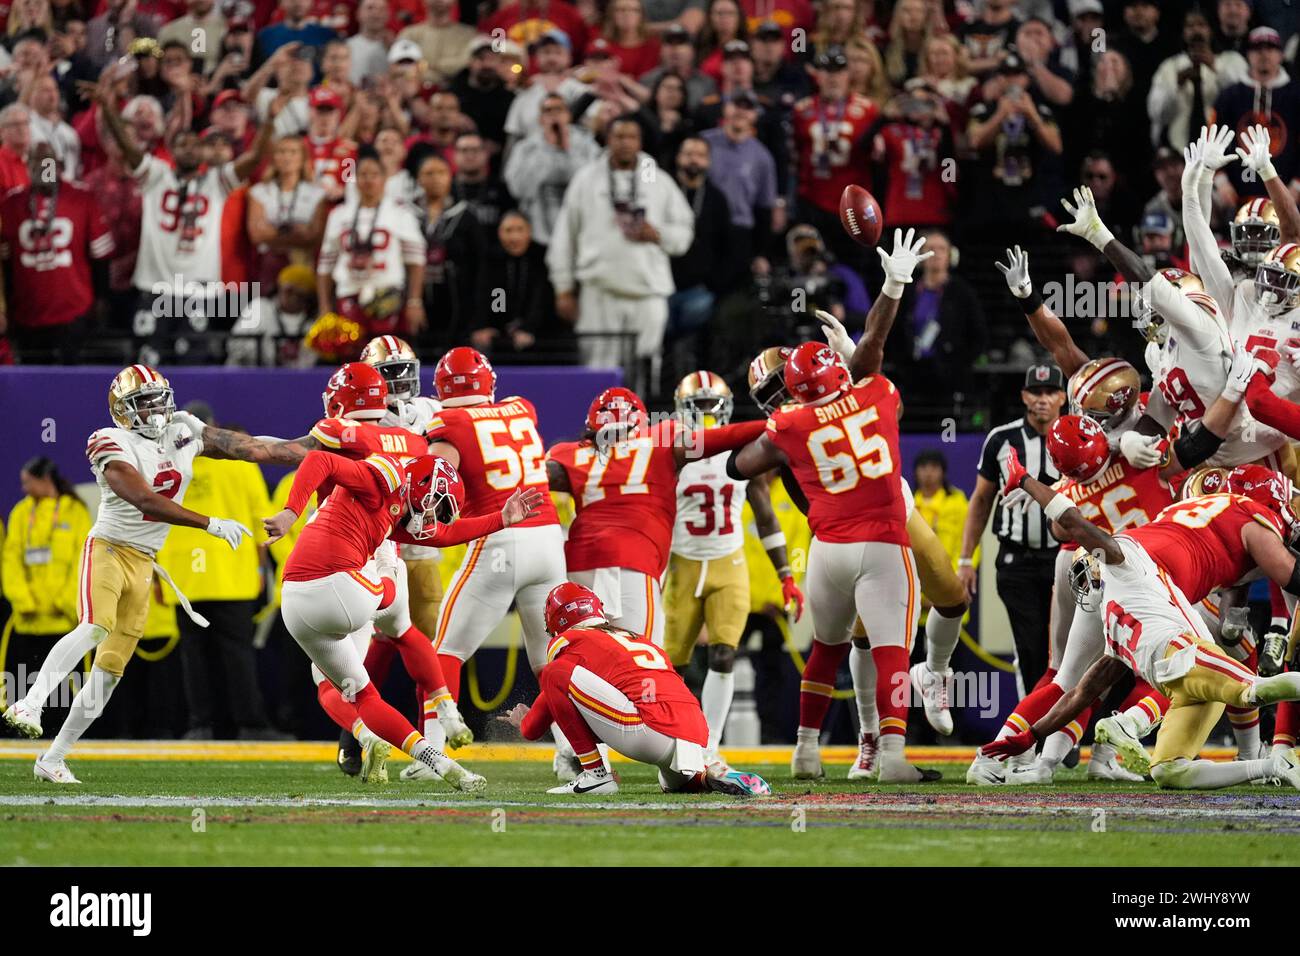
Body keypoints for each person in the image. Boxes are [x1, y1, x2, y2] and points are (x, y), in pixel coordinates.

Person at [985, 458, 1300, 791]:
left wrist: (1025, 481)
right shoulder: (1113, 621)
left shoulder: (1124, 558)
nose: (1087, 579)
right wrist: (1032, 735)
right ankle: (1268, 762)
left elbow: (1075, 523)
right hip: (1167, 594)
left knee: (1238, 684)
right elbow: (1083, 693)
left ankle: (1130, 723)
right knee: (1169, 770)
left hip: (1160, 584)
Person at [2, 367, 254, 783]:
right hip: (109, 548)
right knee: (96, 627)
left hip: (144, 561)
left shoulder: (182, 433)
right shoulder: (111, 440)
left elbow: (252, 447)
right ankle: (29, 702)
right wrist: (210, 523)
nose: (156, 408)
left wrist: (315, 448)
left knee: (109, 672)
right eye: (145, 401)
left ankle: (53, 758)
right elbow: (144, 500)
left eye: (159, 398)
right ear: (123, 411)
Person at [726, 319, 939, 782]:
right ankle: (891, 753)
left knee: (827, 649)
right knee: (891, 652)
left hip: (830, 548)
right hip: (882, 539)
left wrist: (776, 429)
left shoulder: (786, 426)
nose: (779, 394)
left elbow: (735, 465)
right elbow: (873, 362)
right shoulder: (876, 392)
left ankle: (806, 749)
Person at [263, 449, 537, 790]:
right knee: (391, 576)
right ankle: (446, 710)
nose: (436, 516)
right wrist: (291, 511)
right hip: (340, 587)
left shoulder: (401, 507)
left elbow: (444, 535)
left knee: (363, 697)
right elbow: (321, 459)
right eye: (438, 505)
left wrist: (501, 518)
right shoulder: (382, 478)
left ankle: (442, 765)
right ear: (425, 485)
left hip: (297, 607)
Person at [498, 581, 772, 796]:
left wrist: (525, 722)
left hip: (650, 730)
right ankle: (710, 776)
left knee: (554, 671)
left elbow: (547, 700)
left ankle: (596, 775)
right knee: (678, 785)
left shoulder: (571, 640)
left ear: (556, 620)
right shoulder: (635, 638)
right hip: (694, 732)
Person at [546, 385, 767, 651]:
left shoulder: (568, 453)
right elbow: (723, 437)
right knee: (642, 658)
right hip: (634, 558)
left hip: (579, 562)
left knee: (583, 655)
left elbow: (527, 477)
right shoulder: (663, 437)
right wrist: (773, 423)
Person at [84, 68, 278, 364]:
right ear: (172, 149)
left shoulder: (216, 181)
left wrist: (271, 120)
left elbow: (252, 159)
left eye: (194, 144)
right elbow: (126, 144)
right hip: (154, 288)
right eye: (182, 143)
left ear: (202, 151)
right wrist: (108, 108)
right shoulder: (156, 175)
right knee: (149, 366)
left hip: (199, 290)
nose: (188, 148)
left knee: (194, 363)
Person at [662, 370, 802, 761]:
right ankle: (676, 742)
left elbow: (766, 515)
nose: (707, 412)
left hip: (729, 562)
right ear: (683, 409)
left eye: (712, 405)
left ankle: (709, 746)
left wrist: (786, 576)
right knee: (672, 665)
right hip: (683, 565)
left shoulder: (740, 450)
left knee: (724, 654)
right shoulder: (671, 451)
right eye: (699, 406)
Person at [158, 405, 281, 740]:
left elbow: (154, 518)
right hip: (233, 573)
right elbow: (261, 520)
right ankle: (250, 724)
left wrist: (158, 575)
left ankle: (202, 725)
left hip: (184, 577)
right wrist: (260, 568)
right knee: (238, 654)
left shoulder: (168, 465)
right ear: (211, 427)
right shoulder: (239, 464)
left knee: (194, 656)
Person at [546, 114, 694, 381]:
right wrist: (563, 288)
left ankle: (643, 423)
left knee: (646, 371)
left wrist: (658, 234)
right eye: (618, 136)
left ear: (640, 141)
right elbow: (564, 237)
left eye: (631, 137)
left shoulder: (658, 179)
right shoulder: (586, 179)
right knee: (597, 371)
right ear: (607, 140)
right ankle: (596, 424)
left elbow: (684, 234)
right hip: (599, 291)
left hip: (648, 291)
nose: (625, 143)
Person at [957, 364, 1065, 695]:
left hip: (1065, 559)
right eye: (1036, 392)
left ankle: (1068, 735)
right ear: (1024, 396)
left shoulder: (1079, 434)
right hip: (1016, 561)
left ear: (1063, 396)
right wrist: (965, 559)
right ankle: (1033, 733)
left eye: (1050, 392)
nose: (1043, 399)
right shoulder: (1002, 439)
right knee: (1030, 646)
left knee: (1068, 649)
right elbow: (980, 500)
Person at [0, 142, 114, 364]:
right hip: (27, 314)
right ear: (27, 166)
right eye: (36, 162)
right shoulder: (10, 204)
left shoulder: (83, 198)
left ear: (59, 165)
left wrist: (101, 299)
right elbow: (6, 263)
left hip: (73, 312)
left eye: (48, 162)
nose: (42, 168)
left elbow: (101, 258)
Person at [2, 458, 91, 735]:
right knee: (23, 682)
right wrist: (23, 600)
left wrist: (63, 603)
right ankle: (23, 730)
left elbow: (82, 559)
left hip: (62, 622)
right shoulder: (20, 512)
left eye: (27, 481)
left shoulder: (75, 512)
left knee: (64, 685)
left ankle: (65, 734)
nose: (23, 487)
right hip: (28, 621)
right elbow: (11, 560)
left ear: (45, 480)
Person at [317, 146, 427, 346]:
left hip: (387, 294)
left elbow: (416, 261)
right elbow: (325, 265)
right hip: (349, 292)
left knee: (386, 355)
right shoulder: (339, 214)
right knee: (351, 356)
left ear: (384, 179)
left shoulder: (401, 213)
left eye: (374, 174)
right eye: (363, 174)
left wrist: (414, 301)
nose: (368, 180)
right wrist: (324, 307)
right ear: (355, 179)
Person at [1212, 27, 1300, 200]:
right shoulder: (1229, 97)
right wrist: (1221, 181)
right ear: (1248, 55)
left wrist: (1297, 185)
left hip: (1289, 196)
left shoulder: (1296, 96)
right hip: (1237, 196)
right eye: (1257, 49)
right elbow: (1212, 140)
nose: (1264, 54)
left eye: (1270, 48)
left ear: (1281, 54)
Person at [504, 92, 600, 247]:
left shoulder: (587, 145)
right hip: (538, 234)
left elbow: (592, 187)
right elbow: (519, 190)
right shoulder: (525, 149)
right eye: (548, 111)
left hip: (580, 232)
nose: (554, 116)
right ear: (540, 119)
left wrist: (566, 149)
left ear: (568, 115)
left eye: (559, 110)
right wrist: (546, 149)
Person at [1147, 9, 1247, 151]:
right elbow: (1157, 113)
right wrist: (1178, 82)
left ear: (1211, 30)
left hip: (1223, 150)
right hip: (1179, 152)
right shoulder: (1169, 67)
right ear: (1183, 33)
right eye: (1190, 26)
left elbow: (1244, 99)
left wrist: (1214, 66)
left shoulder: (1231, 60)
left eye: (1201, 25)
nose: (1196, 30)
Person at [246, 134, 328, 291]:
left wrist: (272, 232)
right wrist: (298, 232)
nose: (287, 157)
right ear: (273, 157)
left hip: (304, 266)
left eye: (293, 152)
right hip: (266, 268)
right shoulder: (259, 191)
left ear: (303, 157)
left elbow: (315, 237)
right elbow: (256, 235)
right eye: (281, 151)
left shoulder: (317, 193)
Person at [472, 211, 556, 358]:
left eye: (519, 230)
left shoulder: (542, 257)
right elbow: (493, 295)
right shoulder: (492, 259)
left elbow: (540, 298)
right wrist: (490, 326)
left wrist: (528, 328)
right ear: (499, 233)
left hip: (540, 333)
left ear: (529, 232)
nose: (514, 237)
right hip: (501, 336)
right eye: (508, 231)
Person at [228, 263, 318, 366]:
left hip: (292, 378)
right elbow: (234, 345)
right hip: (253, 374)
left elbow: (309, 363)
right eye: (285, 289)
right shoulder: (259, 308)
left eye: (293, 291)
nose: (287, 295)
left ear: (306, 297)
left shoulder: (312, 324)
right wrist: (268, 352)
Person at [396, 0, 476, 85]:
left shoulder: (469, 35)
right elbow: (402, 68)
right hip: (417, 91)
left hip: (459, 92)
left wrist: (425, 64)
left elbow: (464, 65)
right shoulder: (409, 34)